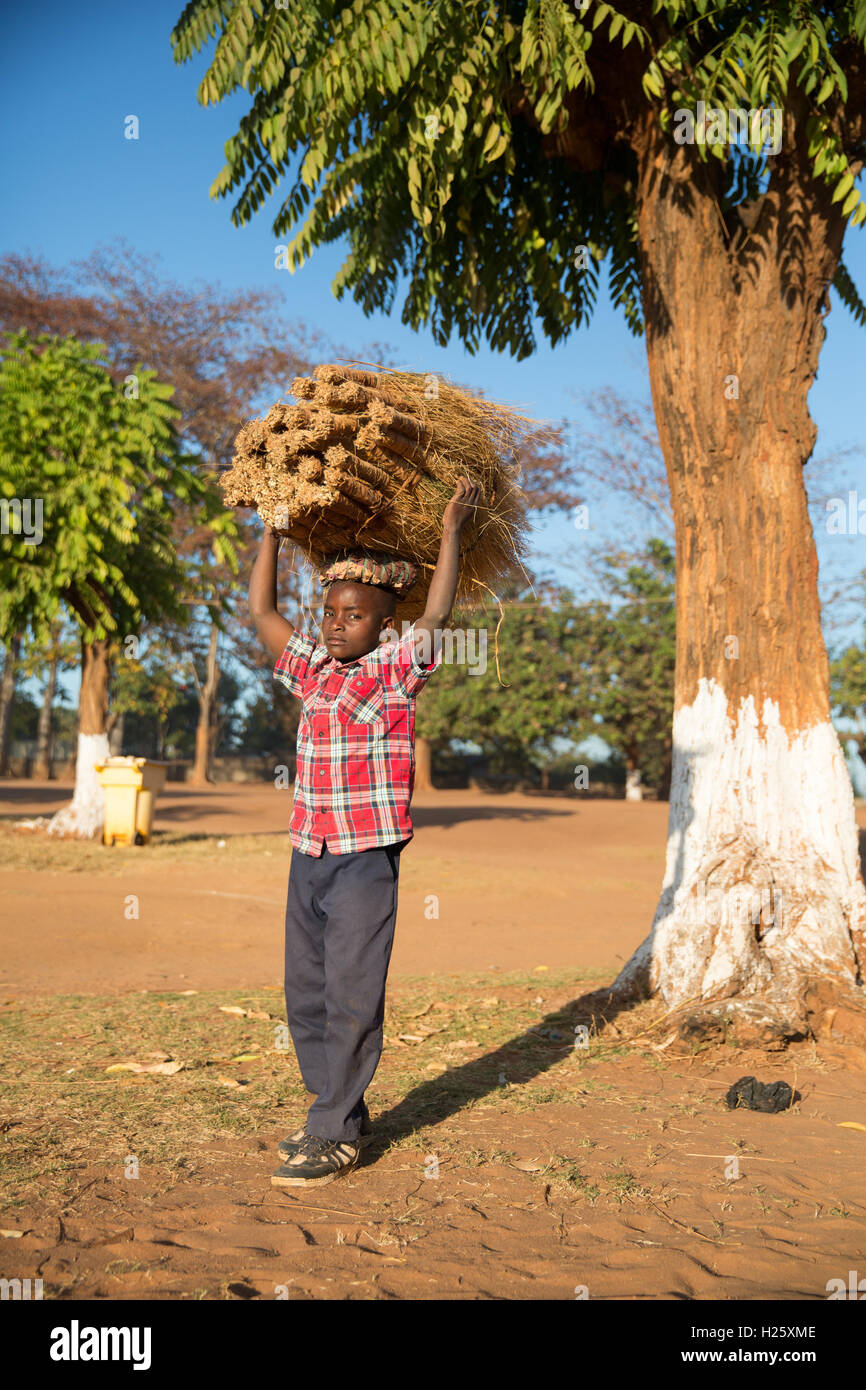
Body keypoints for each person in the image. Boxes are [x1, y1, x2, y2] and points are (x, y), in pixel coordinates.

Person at [247, 477, 481, 1186]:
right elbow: (261, 610)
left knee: (352, 989)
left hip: (364, 862)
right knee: (305, 989)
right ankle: (337, 1106)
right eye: (328, 612)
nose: (334, 623)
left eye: (352, 615)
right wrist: (272, 531)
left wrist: (451, 531)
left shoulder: (394, 670)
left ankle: (332, 1133)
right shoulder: (313, 671)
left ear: (383, 625)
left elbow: (437, 610)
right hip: (306, 854)